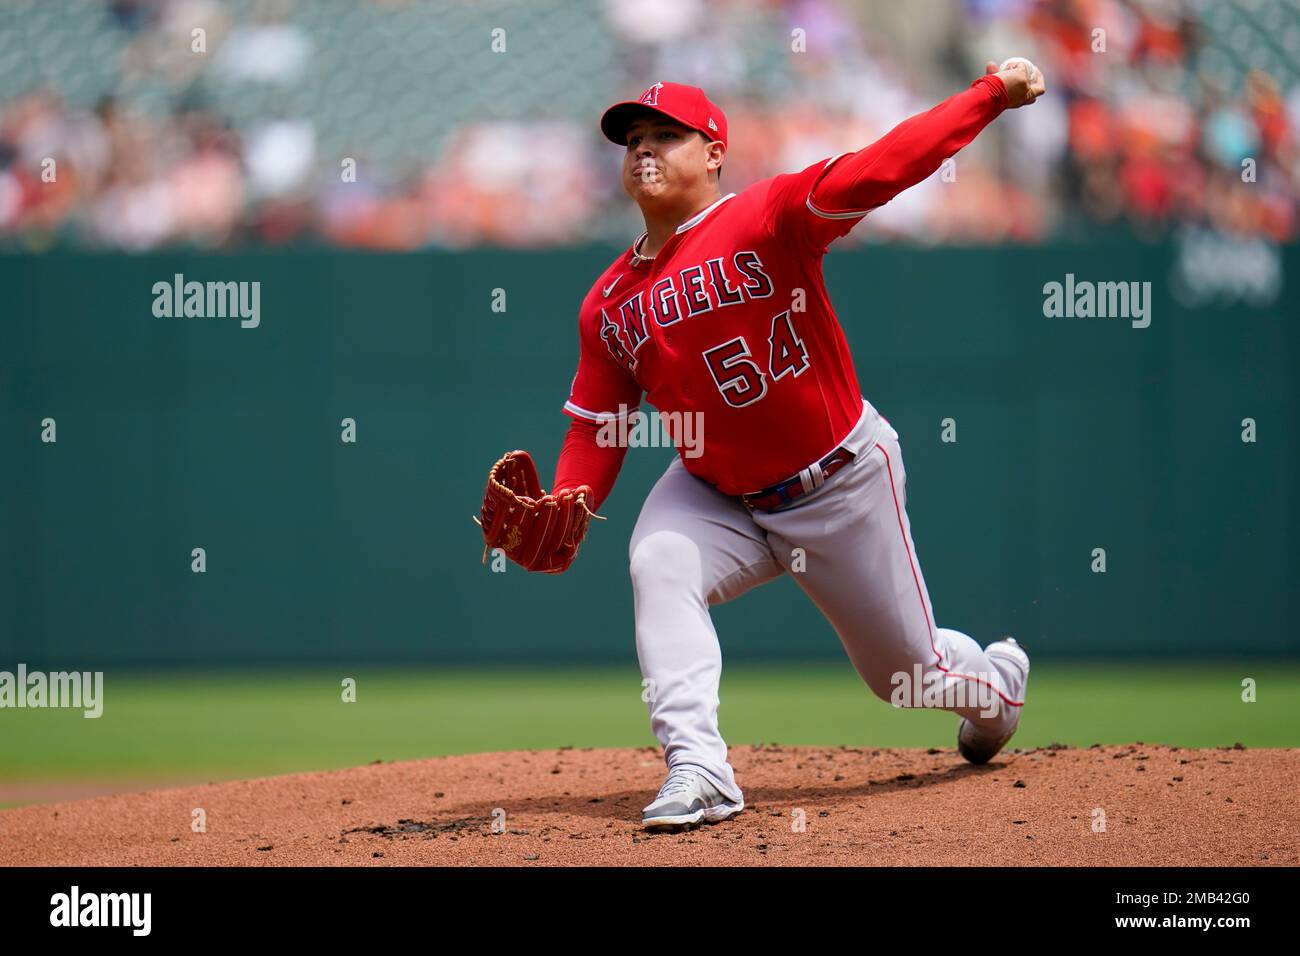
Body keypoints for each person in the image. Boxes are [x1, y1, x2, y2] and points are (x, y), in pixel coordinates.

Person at [506, 61, 1046, 830]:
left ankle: (998, 689)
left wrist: (988, 95)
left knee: (905, 677)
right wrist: (569, 501)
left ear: (715, 151)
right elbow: (597, 426)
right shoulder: (608, 301)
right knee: (658, 560)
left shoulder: (770, 215)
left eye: (666, 134)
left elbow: (884, 168)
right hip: (716, 491)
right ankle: (699, 766)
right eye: (633, 139)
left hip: (838, 481)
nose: (643, 149)